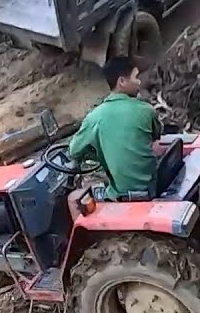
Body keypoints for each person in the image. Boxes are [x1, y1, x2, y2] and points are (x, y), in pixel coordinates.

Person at [66, 58, 160, 213]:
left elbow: (74, 151)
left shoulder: (96, 117)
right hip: (150, 184)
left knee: (74, 198)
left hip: (127, 194)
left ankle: (89, 236)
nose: (139, 82)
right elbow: (155, 137)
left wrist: (97, 153)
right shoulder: (146, 110)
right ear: (122, 81)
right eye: (136, 77)